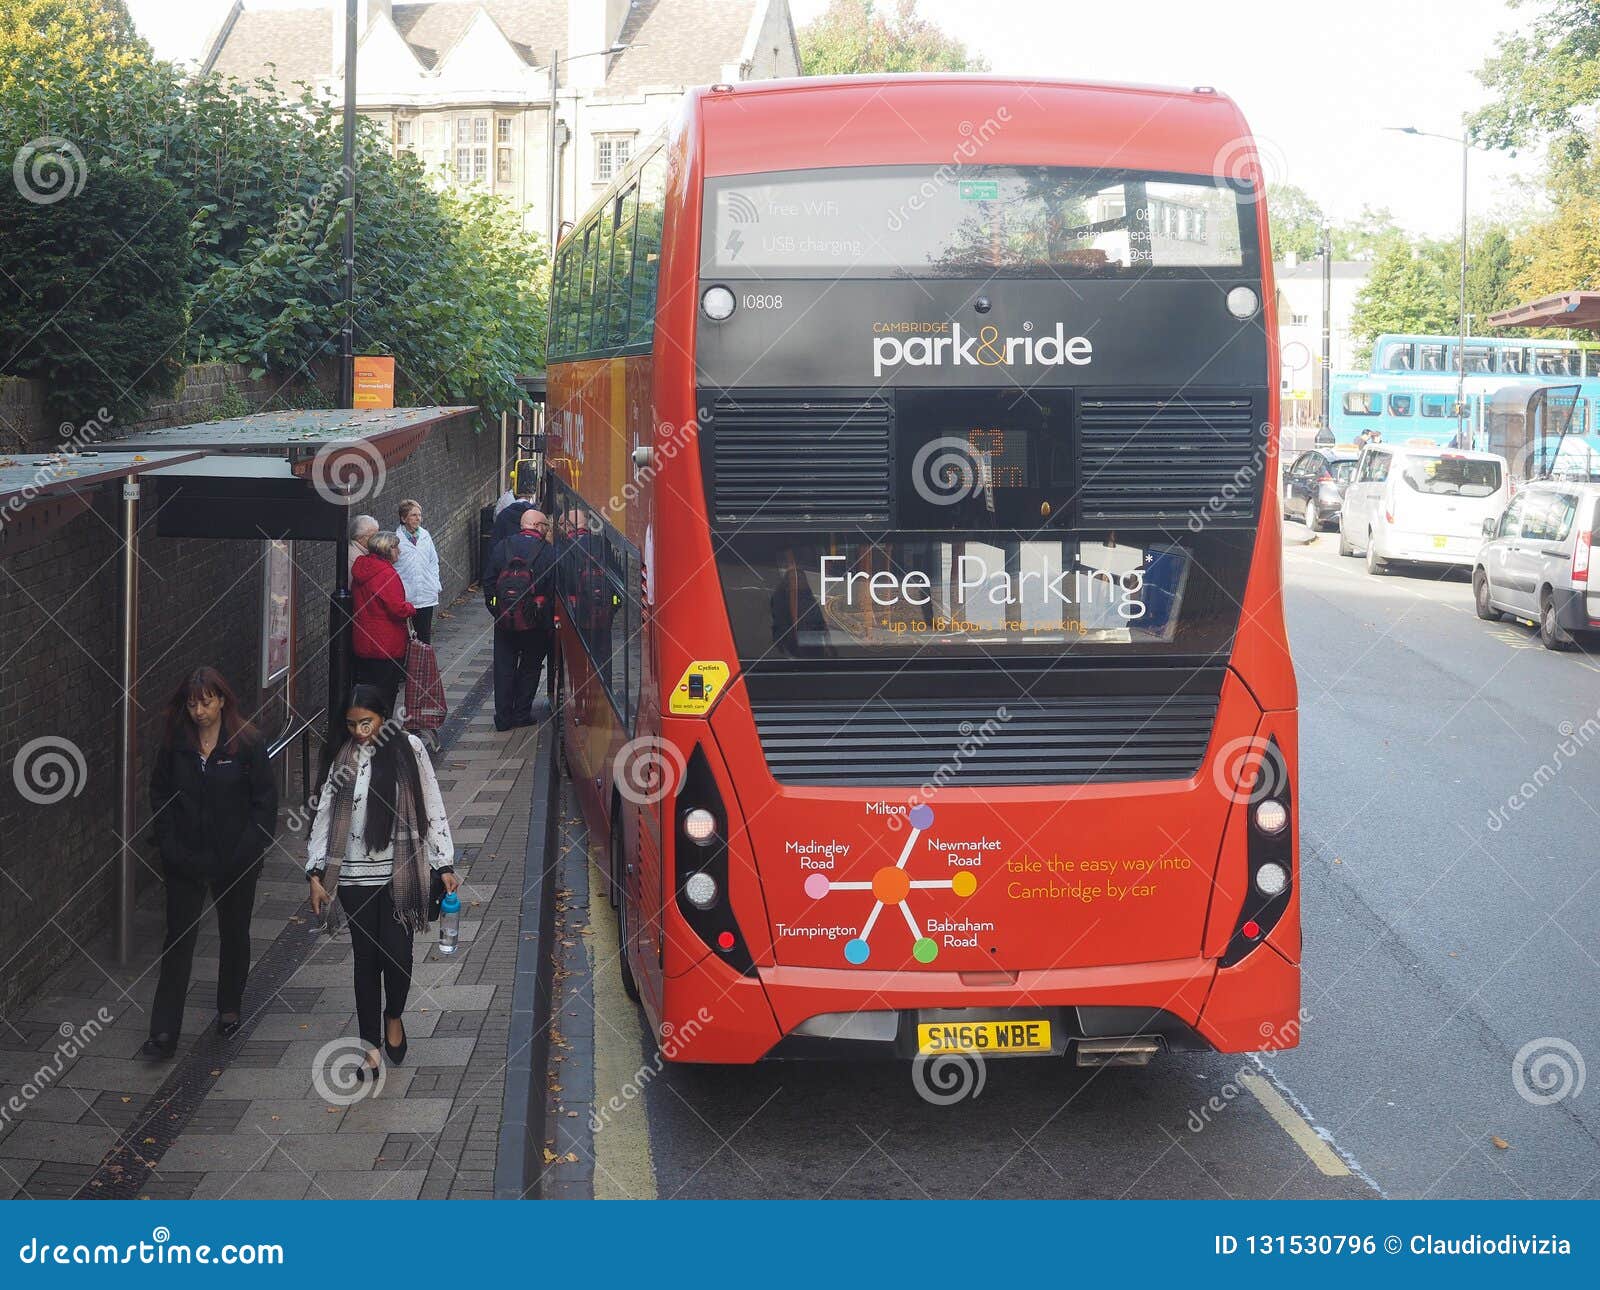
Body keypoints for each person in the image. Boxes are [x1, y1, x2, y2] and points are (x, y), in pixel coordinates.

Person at [306, 686, 457, 1078]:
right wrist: (315, 872)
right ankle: (370, 1047)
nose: (358, 731)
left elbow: (432, 801)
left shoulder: (408, 748)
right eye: (352, 724)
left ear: (383, 716)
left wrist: (444, 863)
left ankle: (394, 1015)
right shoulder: (340, 757)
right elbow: (323, 813)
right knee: (365, 960)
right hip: (354, 877)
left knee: (398, 955)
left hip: (400, 872)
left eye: (366, 722)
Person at [143, 668, 278, 1059]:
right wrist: (169, 844)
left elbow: (264, 804)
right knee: (178, 939)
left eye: (206, 702)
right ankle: (164, 1032)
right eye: (192, 703)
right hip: (185, 857)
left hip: (235, 858)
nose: (199, 711)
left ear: (222, 700)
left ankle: (229, 1007)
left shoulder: (247, 743)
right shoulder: (175, 745)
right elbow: (160, 793)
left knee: (234, 933)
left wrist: (248, 848)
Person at [484, 508, 557, 730]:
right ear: (537, 526)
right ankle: (522, 714)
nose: (547, 530)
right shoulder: (548, 552)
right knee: (530, 666)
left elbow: (488, 582)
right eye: (545, 525)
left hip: (505, 621)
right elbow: (554, 588)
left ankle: (503, 718)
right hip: (536, 623)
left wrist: (499, 611)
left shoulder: (502, 546)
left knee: (504, 667)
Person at [351, 530, 414, 708]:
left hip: (364, 640)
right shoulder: (386, 574)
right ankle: (381, 729)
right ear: (387, 549)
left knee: (367, 688)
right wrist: (411, 608)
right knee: (386, 690)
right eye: (396, 548)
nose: (399, 552)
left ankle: (366, 727)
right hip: (386, 643)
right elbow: (397, 609)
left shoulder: (362, 568)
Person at [393, 500, 441, 644]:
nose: (418, 518)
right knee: (405, 638)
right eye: (413, 515)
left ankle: (424, 666)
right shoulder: (395, 540)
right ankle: (406, 667)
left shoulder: (425, 536)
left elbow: (433, 561)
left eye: (419, 515)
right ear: (403, 518)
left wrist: (435, 584)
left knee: (424, 636)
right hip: (406, 597)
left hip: (426, 594)